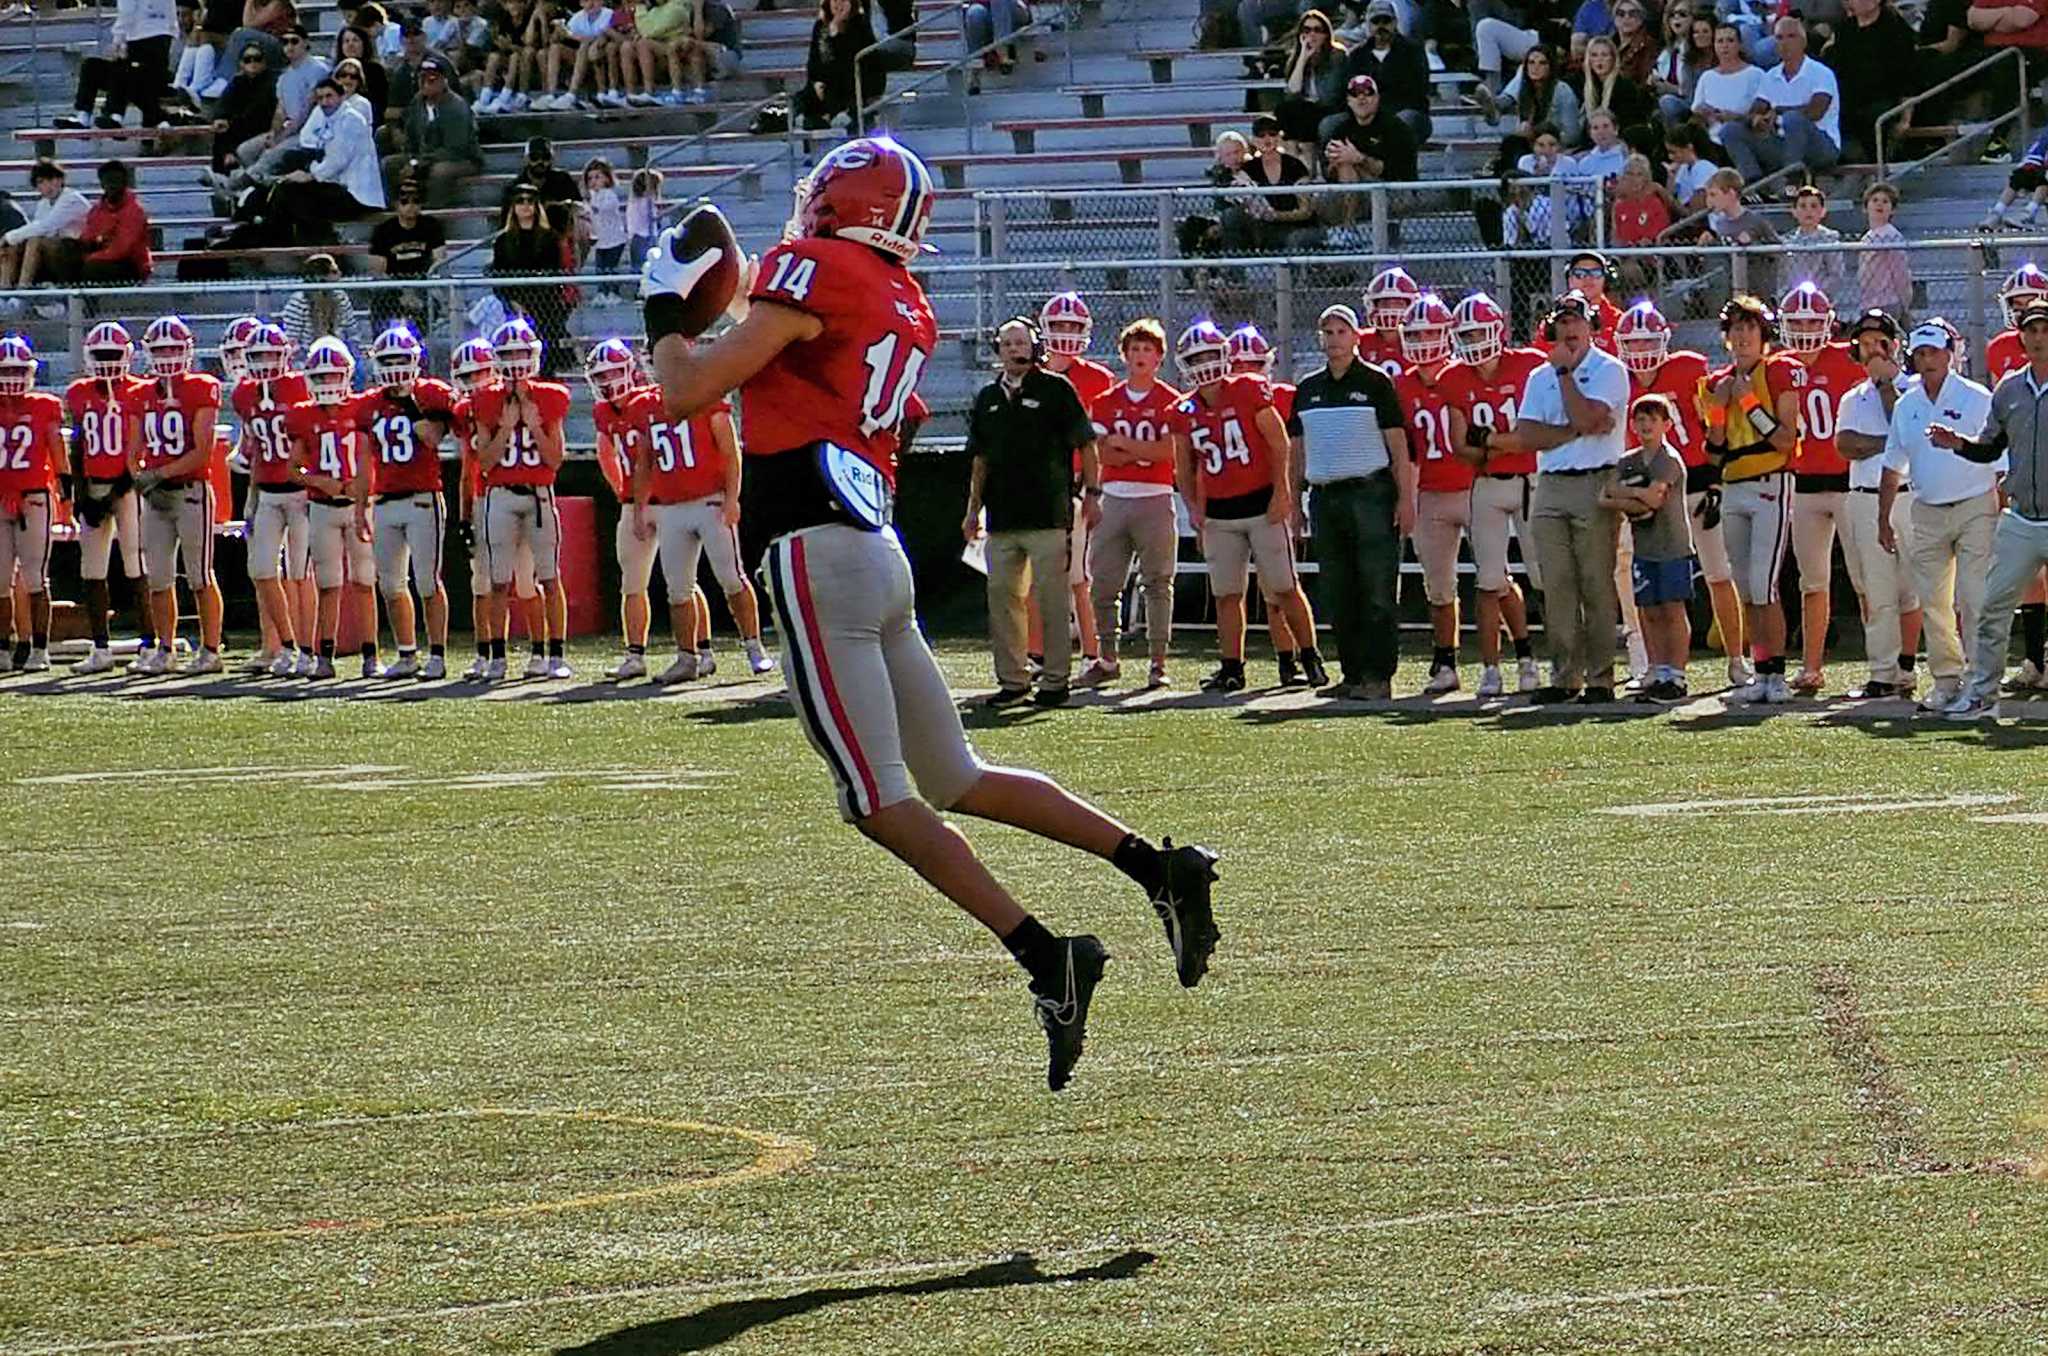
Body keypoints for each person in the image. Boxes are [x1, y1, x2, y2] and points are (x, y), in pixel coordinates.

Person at [642, 136, 1222, 1092]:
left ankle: (1048, 958)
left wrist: (666, 304)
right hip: (876, 557)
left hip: (814, 553)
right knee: (956, 774)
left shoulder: (817, 265)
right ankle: (1155, 868)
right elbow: (786, 349)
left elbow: (685, 387)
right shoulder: (901, 297)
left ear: (835, 201)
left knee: (878, 801)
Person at [1489, 292, 1629, 702]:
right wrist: (1573, 430)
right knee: (1557, 583)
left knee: (1595, 582)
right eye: (1562, 322)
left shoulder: (1609, 369)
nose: (1569, 330)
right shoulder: (1538, 375)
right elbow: (1528, 436)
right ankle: (1566, 675)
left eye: (1576, 321)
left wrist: (1567, 379)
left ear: (1591, 326)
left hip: (1595, 479)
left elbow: (1591, 418)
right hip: (1550, 481)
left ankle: (1601, 677)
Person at [1169, 322, 1315, 695]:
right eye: (1195, 358)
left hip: (1261, 503)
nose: (1203, 364)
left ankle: (1309, 657)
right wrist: (1194, 511)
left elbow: (1279, 443)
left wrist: (1282, 492)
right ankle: (1232, 667)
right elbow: (1184, 467)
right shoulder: (1182, 409)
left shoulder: (1249, 388)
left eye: (1208, 355)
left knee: (1284, 587)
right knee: (1226, 594)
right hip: (1219, 511)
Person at [962, 317, 1098, 706]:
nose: (1015, 350)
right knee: (1002, 598)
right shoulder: (988, 396)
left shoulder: (1056, 389)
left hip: (1047, 512)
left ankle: (1056, 680)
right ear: (998, 350)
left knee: (1052, 598)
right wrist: (972, 510)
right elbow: (980, 460)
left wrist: (1093, 492)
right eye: (1007, 344)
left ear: (1034, 346)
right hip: (1002, 516)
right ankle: (1013, 680)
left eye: (1021, 343)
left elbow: (1086, 444)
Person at [1926, 302, 2048, 718]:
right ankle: (1983, 695)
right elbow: (1991, 447)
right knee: (1992, 608)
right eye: (2031, 331)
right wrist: (1958, 442)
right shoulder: (2010, 389)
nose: (2037, 339)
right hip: (2021, 518)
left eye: (2045, 330)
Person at [1287, 304, 1411, 698]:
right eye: (1327, 332)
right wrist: (1293, 500)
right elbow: (1297, 451)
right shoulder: (1307, 389)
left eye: (1341, 331)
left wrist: (1405, 498)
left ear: (1357, 337)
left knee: (1376, 587)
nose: (1334, 340)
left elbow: (1397, 445)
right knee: (1337, 589)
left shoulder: (1376, 383)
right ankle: (1352, 674)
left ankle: (1378, 676)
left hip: (1370, 493)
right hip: (1326, 496)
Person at [1877, 319, 1998, 713]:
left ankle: (1981, 684)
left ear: (1950, 354)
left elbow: (1998, 455)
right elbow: (1893, 464)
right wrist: (1882, 518)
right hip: (1927, 508)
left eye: (1934, 352)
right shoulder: (1907, 404)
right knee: (1933, 600)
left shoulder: (1978, 397)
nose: (1927, 360)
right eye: (1921, 354)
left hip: (1975, 504)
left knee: (1974, 596)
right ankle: (1947, 680)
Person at [1696, 293, 1799, 703]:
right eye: (1735, 328)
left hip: (1771, 480)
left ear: (1764, 334)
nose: (1741, 336)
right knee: (1744, 586)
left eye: (1749, 328)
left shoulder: (1779, 371)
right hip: (1735, 484)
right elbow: (1713, 452)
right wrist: (1719, 411)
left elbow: (1786, 439)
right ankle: (1761, 672)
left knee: (1764, 585)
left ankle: (1777, 674)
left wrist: (1749, 403)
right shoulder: (1715, 383)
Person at [1440, 291, 1544, 696]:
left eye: (1479, 332)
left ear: (1498, 330)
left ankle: (1555, 663)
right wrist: (1505, 443)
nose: (1473, 342)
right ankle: (1491, 669)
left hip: (1530, 481)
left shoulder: (1530, 366)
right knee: (1487, 580)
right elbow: (1459, 447)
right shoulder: (1453, 377)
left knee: (1544, 577)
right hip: (1487, 484)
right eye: (1466, 334)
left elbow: (1533, 436)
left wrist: (1494, 443)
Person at [1081, 319, 1183, 692]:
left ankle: (1158, 661)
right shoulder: (1106, 400)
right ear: (1124, 355)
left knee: (1157, 582)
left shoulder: (1171, 400)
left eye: (1148, 350)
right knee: (1105, 582)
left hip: (1155, 498)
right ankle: (1108, 658)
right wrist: (1136, 453)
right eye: (1135, 349)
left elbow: (1167, 452)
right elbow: (1102, 453)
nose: (1141, 356)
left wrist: (1128, 446)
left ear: (1159, 357)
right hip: (1115, 498)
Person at [353, 324, 455, 680]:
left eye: (401, 359)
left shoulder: (430, 395)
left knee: (427, 581)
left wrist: (410, 403)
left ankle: (438, 655)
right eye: (389, 360)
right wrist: (360, 506)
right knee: (391, 584)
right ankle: (408, 654)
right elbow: (364, 460)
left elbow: (431, 438)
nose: (395, 366)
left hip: (423, 498)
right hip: (385, 500)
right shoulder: (369, 404)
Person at [123, 317, 224, 675]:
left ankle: (211, 651)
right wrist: (140, 476)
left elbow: (203, 450)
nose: (167, 355)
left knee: (199, 575)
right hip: (156, 495)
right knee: (158, 578)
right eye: (161, 348)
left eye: (173, 348)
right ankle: (165, 650)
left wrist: (158, 474)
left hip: (191, 491)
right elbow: (132, 449)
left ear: (188, 350)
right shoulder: (139, 394)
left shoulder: (202, 386)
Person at [1777, 281, 1864, 694]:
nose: (1807, 327)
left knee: (1866, 578)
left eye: (1813, 319)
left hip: (1848, 482)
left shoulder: (1849, 359)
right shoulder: (1776, 365)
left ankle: (1883, 667)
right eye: (1798, 321)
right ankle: (1811, 667)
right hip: (1804, 485)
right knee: (1812, 581)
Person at [1833, 307, 1924, 699]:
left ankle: (1911, 664)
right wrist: (1885, 445)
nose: (1872, 350)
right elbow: (1844, 446)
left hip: (1907, 497)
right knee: (1878, 590)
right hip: (1865, 498)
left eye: (1879, 343)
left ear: (1895, 346)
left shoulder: (1915, 388)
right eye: (1866, 343)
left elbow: (1907, 435)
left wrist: (1888, 387)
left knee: (1918, 589)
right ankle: (1882, 672)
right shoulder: (1853, 397)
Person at [476, 316, 574, 680]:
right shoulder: (486, 399)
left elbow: (555, 459)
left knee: (549, 578)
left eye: (521, 352)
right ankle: (499, 658)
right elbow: (485, 463)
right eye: (509, 353)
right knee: (499, 581)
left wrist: (532, 424)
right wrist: (505, 427)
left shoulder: (550, 396)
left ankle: (554, 655)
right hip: (500, 496)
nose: (516, 361)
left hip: (537, 494)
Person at [1391, 295, 1470, 693]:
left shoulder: (1464, 373)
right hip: (1430, 492)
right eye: (1415, 333)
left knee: (1497, 579)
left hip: (1473, 486)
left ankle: (1520, 654)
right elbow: (1402, 447)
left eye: (1429, 332)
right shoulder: (1400, 385)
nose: (1422, 341)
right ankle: (1446, 660)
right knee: (1438, 586)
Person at [287, 336, 377, 679]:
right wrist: (320, 481)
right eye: (321, 377)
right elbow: (293, 469)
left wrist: (362, 488)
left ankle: (371, 655)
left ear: (347, 376)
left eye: (332, 375)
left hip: (357, 505)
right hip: (323, 506)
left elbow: (372, 456)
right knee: (328, 583)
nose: (327, 383)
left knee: (364, 581)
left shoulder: (362, 408)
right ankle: (324, 656)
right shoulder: (302, 415)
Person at [65, 323, 152, 676]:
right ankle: (100, 647)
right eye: (101, 355)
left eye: (113, 355)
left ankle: (149, 644)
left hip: (128, 486)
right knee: (92, 569)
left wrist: (121, 485)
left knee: (136, 564)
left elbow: (143, 442)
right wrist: (82, 494)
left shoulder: (141, 391)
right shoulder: (78, 392)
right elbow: (79, 444)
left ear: (127, 355)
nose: (107, 362)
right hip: (95, 485)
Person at [232, 320, 318, 677]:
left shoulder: (301, 385)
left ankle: (309, 650)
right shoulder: (244, 394)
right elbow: (254, 451)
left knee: (300, 574)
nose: (265, 360)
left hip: (300, 493)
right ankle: (286, 644)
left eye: (271, 353)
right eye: (258, 355)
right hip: (267, 491)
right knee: (262, 570)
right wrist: (251, 499)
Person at [1600, 394, 1692, 701]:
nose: (1645, 425)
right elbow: (1605, 495)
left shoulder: (1669, 460)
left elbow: (1655, 500)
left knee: (1672, 609)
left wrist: (1629, 497)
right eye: (1640, 419)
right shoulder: (1629, 461)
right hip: (1644, 545)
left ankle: (1676, 673)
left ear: (1666, 424)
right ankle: (1657, 667)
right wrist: (1638, 497)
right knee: (1648, 609)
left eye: (1652, 419)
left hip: (1672, 545)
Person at [0, 338, 69, 675]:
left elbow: (58, 451)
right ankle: (4, 647)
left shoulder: (45, 406)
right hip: (0, 498)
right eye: (6, 370)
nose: (12, 376)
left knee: (35, 578)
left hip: (34, 498)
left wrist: (66, 491)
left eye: (18, 370)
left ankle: (39, 647)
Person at [1722, 17, 1840, 178]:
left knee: (1793, 119)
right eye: (1779, 38)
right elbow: (1756, 109)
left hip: (1821, 146)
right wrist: (1756, 119)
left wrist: (1778, 113)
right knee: (1730, 130)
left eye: (1791, 37)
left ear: (1803, 41)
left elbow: (1815, 112)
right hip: (1782, 145)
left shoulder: (1821, 73)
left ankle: (1792, 185)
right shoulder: (1770, 76)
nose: (1784, 43)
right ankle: (1754, 186)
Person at [270, 76, 386, 235]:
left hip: (357, 195)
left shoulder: (351, 119)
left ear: (342, 96)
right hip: (336, 184)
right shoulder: (326, 117)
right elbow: (306, 139)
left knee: (293, 192)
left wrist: (310, 175)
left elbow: (339, 160)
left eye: (329, 96)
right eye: (320, 98)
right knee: (288, 186)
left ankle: (317, 241)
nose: (324, 102)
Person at [490, 184, 575, 375]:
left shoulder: (549, 238)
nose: (525, 206)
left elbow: (555, 272)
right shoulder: (503, 240)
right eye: (520, 201)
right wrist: (514, 302)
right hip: (514, 303)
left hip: (545, 304)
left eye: (531, 201)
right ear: (513, 207)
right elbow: (499, 275)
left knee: (546, 352)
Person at [63, 0, 178, 132]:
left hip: (141, 37)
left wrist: (118, 39)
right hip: (160, 37)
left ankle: (113, 115)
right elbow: (171, 16)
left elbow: (127, 11)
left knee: (122, 69)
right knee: (95, 66)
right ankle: (89, 115)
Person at [1826, 0, 1919, 162]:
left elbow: (1908, 77)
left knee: (1873, 116)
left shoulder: (1895, 29)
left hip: (1884, 99)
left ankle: (1876, 165)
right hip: (1849, 99)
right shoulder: (1845, 29)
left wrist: (1906, 119)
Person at [383, 55, 481, 207]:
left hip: (462, 158)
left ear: (443, 81)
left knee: (439, 172)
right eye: (422, 79)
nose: (426, 84)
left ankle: (434, 210)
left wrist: (418, 164)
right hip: (424, 157)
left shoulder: (456, 107)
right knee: (390, 164)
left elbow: (454, 149)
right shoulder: (417, 103)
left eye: (432, 79)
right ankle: (396, 207)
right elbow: (411, 139)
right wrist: (410, 159)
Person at [1342, 0, 1433, 143]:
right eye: (1376, 21)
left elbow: (1416, 94)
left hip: (1406, 113)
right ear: (1367, 25)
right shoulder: (1357, 55)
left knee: (1402, 121)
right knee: (1333, 124)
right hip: (1366, 115)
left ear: (1395, 22)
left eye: (1386, 21)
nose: (1381, 26)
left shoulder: (1412, 52)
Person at [0, 162, 91, 302]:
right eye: (41, 182)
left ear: (60, 179)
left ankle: (22, 293)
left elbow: (47, 226)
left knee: (33, 241)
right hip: (53, 249)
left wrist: (8, 236)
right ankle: (4, 293)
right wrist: (9, 240)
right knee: (11, 246)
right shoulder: (44, 203)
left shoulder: (72, 199)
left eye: (52, 180)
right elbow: (37, 227)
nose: (47, 186)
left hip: (75, 250)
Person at [367, 183, 448, 330]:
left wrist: (418, 290)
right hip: (393, 286)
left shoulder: (431, 226)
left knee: (431, 303)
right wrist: (404, 292)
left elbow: (439, 261)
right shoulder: (383, 230)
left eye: (416, 201)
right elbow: (378, 271)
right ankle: (380, 343)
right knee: (380, 301)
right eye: (405, 202)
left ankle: (419, 344)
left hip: (424, 284)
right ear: (396, 205)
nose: (411, 206)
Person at [1319, 73, 1420, 183]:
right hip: (1354, 184)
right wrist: (1334, 163)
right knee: (1344, 165)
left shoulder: (1396, 129)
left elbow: (1395, 172)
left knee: (1349, 164)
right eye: (1355, 94)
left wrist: (1360, 159)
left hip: (1396, 190)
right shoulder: (1341, 130)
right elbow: (1328, 174)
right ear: (1348, 101)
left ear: (1377, 98)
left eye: (1368, 93)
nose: (1361, 98)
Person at [795, 0, 877, 129]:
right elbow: (814, 61)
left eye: (844, 1)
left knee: (837, 94)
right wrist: (816, 83)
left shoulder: (860, 25)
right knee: (800, 99)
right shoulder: (820, 26)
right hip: (823, 86)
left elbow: (849, 62)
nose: (839, 5)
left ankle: (836, 117)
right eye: (835, 1)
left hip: (852, 85)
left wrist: (836, 35)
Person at [1276, 11, 1349, 157]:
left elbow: (1329, 96)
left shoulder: (1337, 56)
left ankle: (1308, 166)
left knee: (1302, 115)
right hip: (1306, 109)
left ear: (1326, 34)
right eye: (1307, 30)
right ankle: (1295, 163)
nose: (1312, 35)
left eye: (1317, 30)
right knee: (1284, 110)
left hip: (1331, 108)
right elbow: (1292, 93)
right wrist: (1303, 57)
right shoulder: (1297, 57)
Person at [79, 161, 152, 289]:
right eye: (108, 180)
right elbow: (87, 237)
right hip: (101, 256)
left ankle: (88, 304)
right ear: (101, 183)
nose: (112, 185)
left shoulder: (134, 210)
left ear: (125, 182)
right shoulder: (97, 209)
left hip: (131, 265)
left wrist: (90, 257)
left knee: (92, 267)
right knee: (65, 253)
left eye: (116, 180)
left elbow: (122, 249)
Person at [282, 253, 372, 353]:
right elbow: (292, 337)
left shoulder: (340, 297)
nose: (340, 274)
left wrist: (352, 350)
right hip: (307, 355)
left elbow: (351, 330)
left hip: (339, 351)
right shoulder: (299, 300)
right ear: (320, 276)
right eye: (334, 272)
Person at [1690, 21, 1760, 145]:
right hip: (1709, 139)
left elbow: (1760, 115)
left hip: (1742, 136)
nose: (1725, 46)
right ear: (1714, 45)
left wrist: (1736, 117)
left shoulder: (1755, 74)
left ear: (1739, 44)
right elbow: (1696, 110)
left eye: (1730, 40)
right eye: (1720, 41)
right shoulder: (1707, 77)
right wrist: (1704, 113)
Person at [1857, 181, 1911, 321]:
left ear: (1892, 209)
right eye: (1874, 200)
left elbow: (1900, 273)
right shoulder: (1867, 237)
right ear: (1865, 207)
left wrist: (1904, 302)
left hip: (1888, 301)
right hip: (1868, 301)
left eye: (1885, 201)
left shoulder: (1891, 236)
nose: (1879, 204)